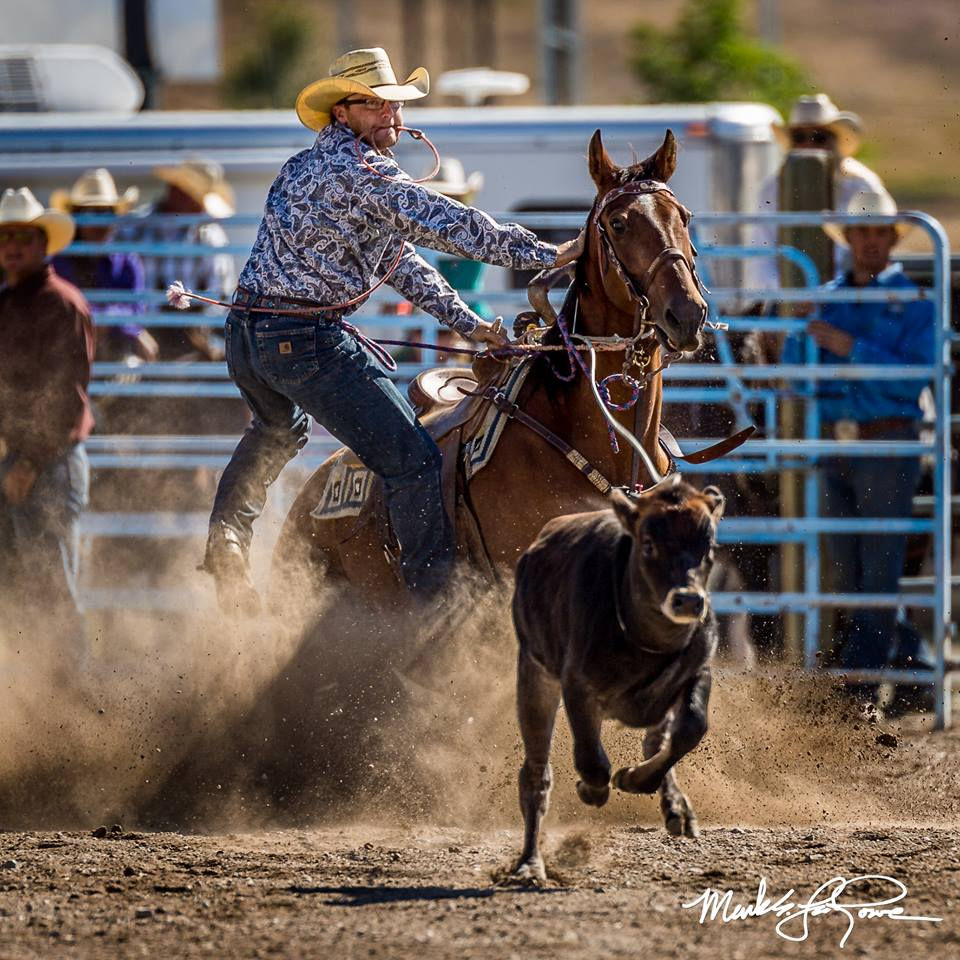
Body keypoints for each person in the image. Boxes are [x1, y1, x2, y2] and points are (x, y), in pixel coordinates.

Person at [203, 47, 582, 613]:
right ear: (343, 112)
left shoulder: (303, 167)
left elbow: (400, 264)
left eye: (395, 105)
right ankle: (434, 605)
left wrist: (474, 327)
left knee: (276, 432)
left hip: (248, 337)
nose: (392, 117)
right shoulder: (365, 173)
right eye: (376, 105)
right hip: (304, 340)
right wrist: (547, 252)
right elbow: (454, 226)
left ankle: (227, 536)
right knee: (413, 458)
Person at [782, 189, 935, 711]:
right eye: (862, 232)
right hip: (835, 444)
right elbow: (792, 374)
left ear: (891, 239)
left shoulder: (916, 303)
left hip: (887, 442)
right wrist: (797, 331)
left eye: (879, 233)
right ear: (848, 240)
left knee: (877, 569)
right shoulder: (824, 298)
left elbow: (918, 375)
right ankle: (918, 674)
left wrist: (849, 350)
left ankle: (858, 689)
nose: (870, 242)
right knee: (850, 573)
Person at [0, 188, 95, 662]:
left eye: (22, 236)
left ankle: (74, 698)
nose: (13, 246)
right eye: (6, 236)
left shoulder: (60, 304)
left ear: (42, 244)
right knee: (22, 587)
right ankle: (37, 690)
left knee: (52, 587)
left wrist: (30, 461)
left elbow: (63, 393)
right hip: (22, 459)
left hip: (48, 463)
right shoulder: (11, 303)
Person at [749, 94, 887, 292]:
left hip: (850, 299)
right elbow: (761, 258)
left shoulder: (862, 185)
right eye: (799, 137)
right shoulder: (772, 188)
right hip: (786, 300)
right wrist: (791, 297)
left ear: (834, 142)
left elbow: (874, 253)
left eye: (818, 137)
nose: (808, 145)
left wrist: (827, 297)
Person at [122, 158, 237, 360]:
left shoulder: (210, 236)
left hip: (192, 335)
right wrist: (135, 330)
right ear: (175, 192)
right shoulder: (136, 227)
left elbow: (219, 298)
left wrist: (202, 336)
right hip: (140, 331)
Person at [50, 167, 158, 363]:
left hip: (116, 351)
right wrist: (113, 320)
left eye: (107, 212)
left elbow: (137, 310)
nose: (100, 221)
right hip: (69, 353)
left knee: (133, 362)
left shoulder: (127, 261)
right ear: (77, 216)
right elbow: (61, 311)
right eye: (92, 212)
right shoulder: (60, 261)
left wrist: (102, 320)